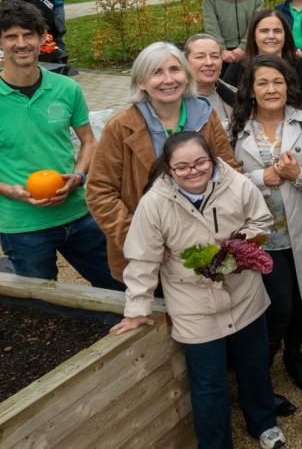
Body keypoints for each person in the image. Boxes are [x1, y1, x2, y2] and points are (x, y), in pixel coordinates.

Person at [108, 131, 285, 449]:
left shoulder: (237, 184)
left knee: (254, 365)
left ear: (212, 159)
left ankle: (264, 423)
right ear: (169, 168)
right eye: (183, 167)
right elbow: (142, 259)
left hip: (244, 293)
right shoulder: (155, 203)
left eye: (201, 162)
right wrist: (137, 309)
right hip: (194, 303)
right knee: (208, 385)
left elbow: (261, 220)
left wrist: (239, 247)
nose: (194, 171)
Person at [0, 0, 117, 289]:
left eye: (28, 35)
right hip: (23, 225)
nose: (21, 43)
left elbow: (89, 141)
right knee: (41, 309)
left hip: (78, 213)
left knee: (117, 287)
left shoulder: (67, 88)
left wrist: (78, 176)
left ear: (42, 38)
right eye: (11, 37)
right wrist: (7, 190)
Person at [87, 41, 237, 284]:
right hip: (150, 252)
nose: (169, 79)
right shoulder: (121, 127)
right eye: (156, 72)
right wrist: (139, 240)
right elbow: (99, 191)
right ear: (141, 82)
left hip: (204, 242)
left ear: (187, 76)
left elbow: (230, 172)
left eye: (175, 70)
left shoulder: (205, 116)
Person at [230, 55, 302, 400]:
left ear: (288, 86)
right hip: (262, 234)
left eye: (278, 82)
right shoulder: (236, 126)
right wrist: (263, 177)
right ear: (251, 91)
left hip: (301, 228)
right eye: (263, 83)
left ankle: (294, 354)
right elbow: (226, 178)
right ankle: (257, 380)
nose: (272, 89)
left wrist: (297, 175)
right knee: (278, 307)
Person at [221, 9, 302, 115]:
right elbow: (228, 103)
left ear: (285, 35)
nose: (271, 36)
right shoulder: (238, 67)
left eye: (277, 31)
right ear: (253, 36)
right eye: (264, 31)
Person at [184, 33, 236, 130]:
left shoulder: (235, 96)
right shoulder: (174, 101)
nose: (209, 62)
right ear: (186, 62)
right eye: (200, 57)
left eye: (215, 56)